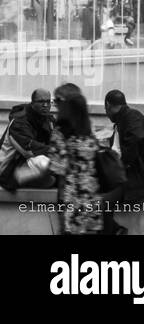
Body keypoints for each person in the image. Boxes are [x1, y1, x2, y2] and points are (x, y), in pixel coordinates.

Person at [46, 91, 103, 235]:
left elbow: (58, 167)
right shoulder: (88, 132)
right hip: (91, 194)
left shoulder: (60, 133)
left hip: (70, 195)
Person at [101, 89, 144, 234]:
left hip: (135, 179)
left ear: (108, 105)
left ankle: (116, 230)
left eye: (106, 109)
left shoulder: (132, 116)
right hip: (126, 176)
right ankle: (116, 230)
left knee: (103, 203)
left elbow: (134, 142)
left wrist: (119, 164)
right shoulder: (122, 120)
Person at [0, 89, 55, 190]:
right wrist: (55, 151)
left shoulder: (47, 119)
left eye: (48, 102)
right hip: (7, 170)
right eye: (41, 102)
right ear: (32, 103)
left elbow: (55, 143)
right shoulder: (19, 122)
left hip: (26, 164)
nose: (46, 105)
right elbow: (29, 150)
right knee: (46, 165)